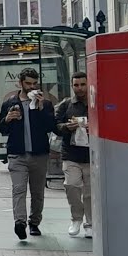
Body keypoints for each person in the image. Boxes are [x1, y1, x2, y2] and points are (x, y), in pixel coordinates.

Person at [0, 67, 56, 240]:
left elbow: (50, 126)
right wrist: (7, 119)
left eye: (34, 83)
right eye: (28, 83)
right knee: (19, 188)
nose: (31, 87)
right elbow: (2, 128)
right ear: (20, 83)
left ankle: (34, 222)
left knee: (37, 192)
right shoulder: (10, 103)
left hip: (39, 154)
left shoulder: (44, 103)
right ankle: (20, 222)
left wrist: (41, 107)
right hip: (17, 154)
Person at [55, 72, 92, 238]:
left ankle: (90, 223)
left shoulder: (94, 103)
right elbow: (55, 125)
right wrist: (66, 127)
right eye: (76, 85)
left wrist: (92, 126)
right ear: (72, 86)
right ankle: (76, 218)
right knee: (71, 185)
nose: (80, 88)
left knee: (90, 191)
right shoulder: (66, 104)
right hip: (71, 154)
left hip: (92, 154)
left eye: (82, 84)